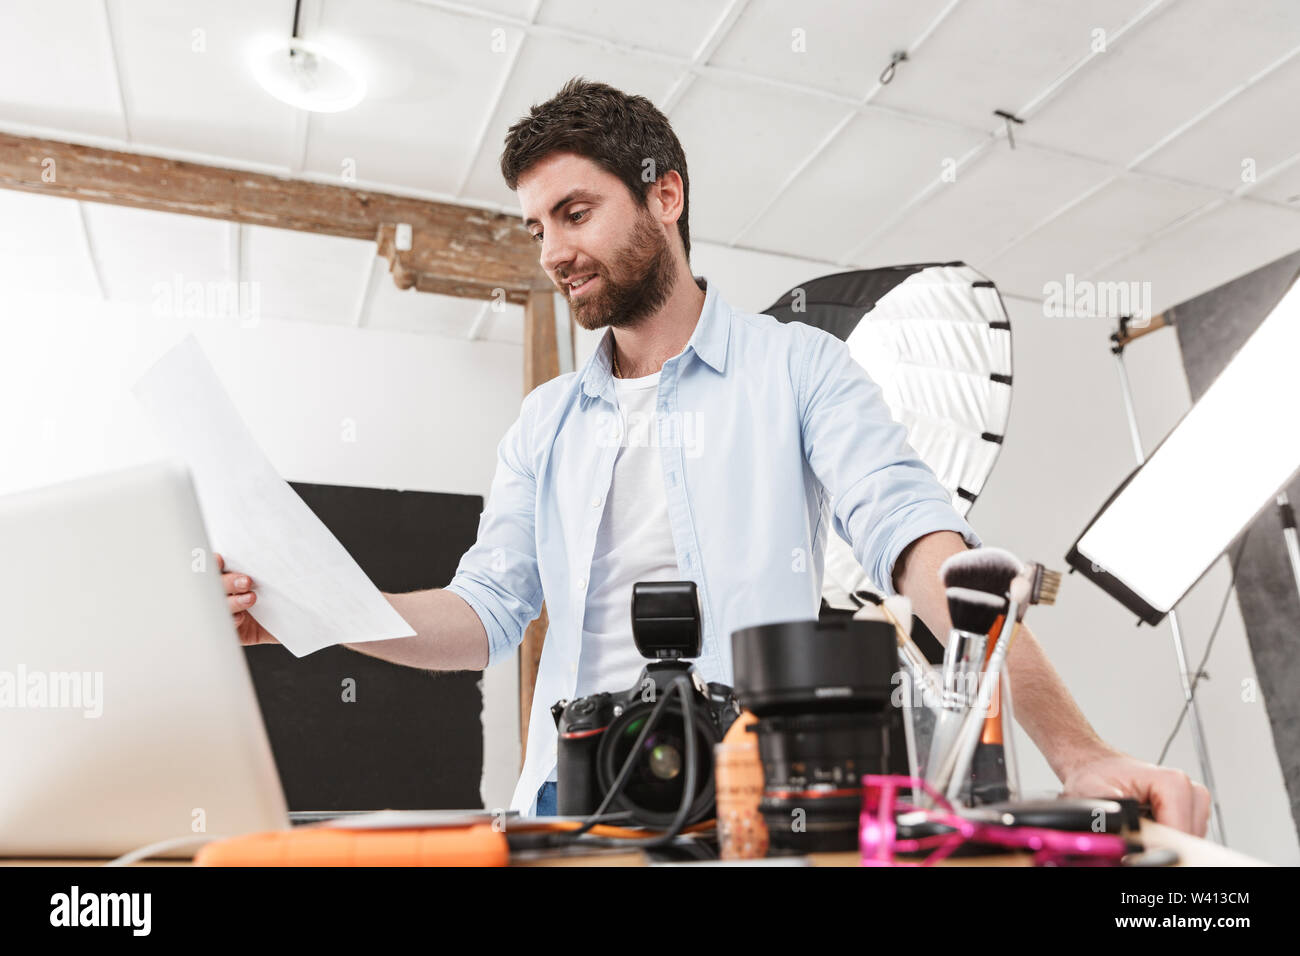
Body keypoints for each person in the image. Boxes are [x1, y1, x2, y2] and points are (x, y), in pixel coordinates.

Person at [220, 76, 1211, 835]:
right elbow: (482, 616)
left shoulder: (800, 371)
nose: (551, 251)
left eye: (574, 213)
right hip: (563, 821)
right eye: (535, 227)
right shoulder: (544, 423)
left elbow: (927, 556)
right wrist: (310, 607)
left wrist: (1079, 754)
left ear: (666, 195)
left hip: (746, 821)